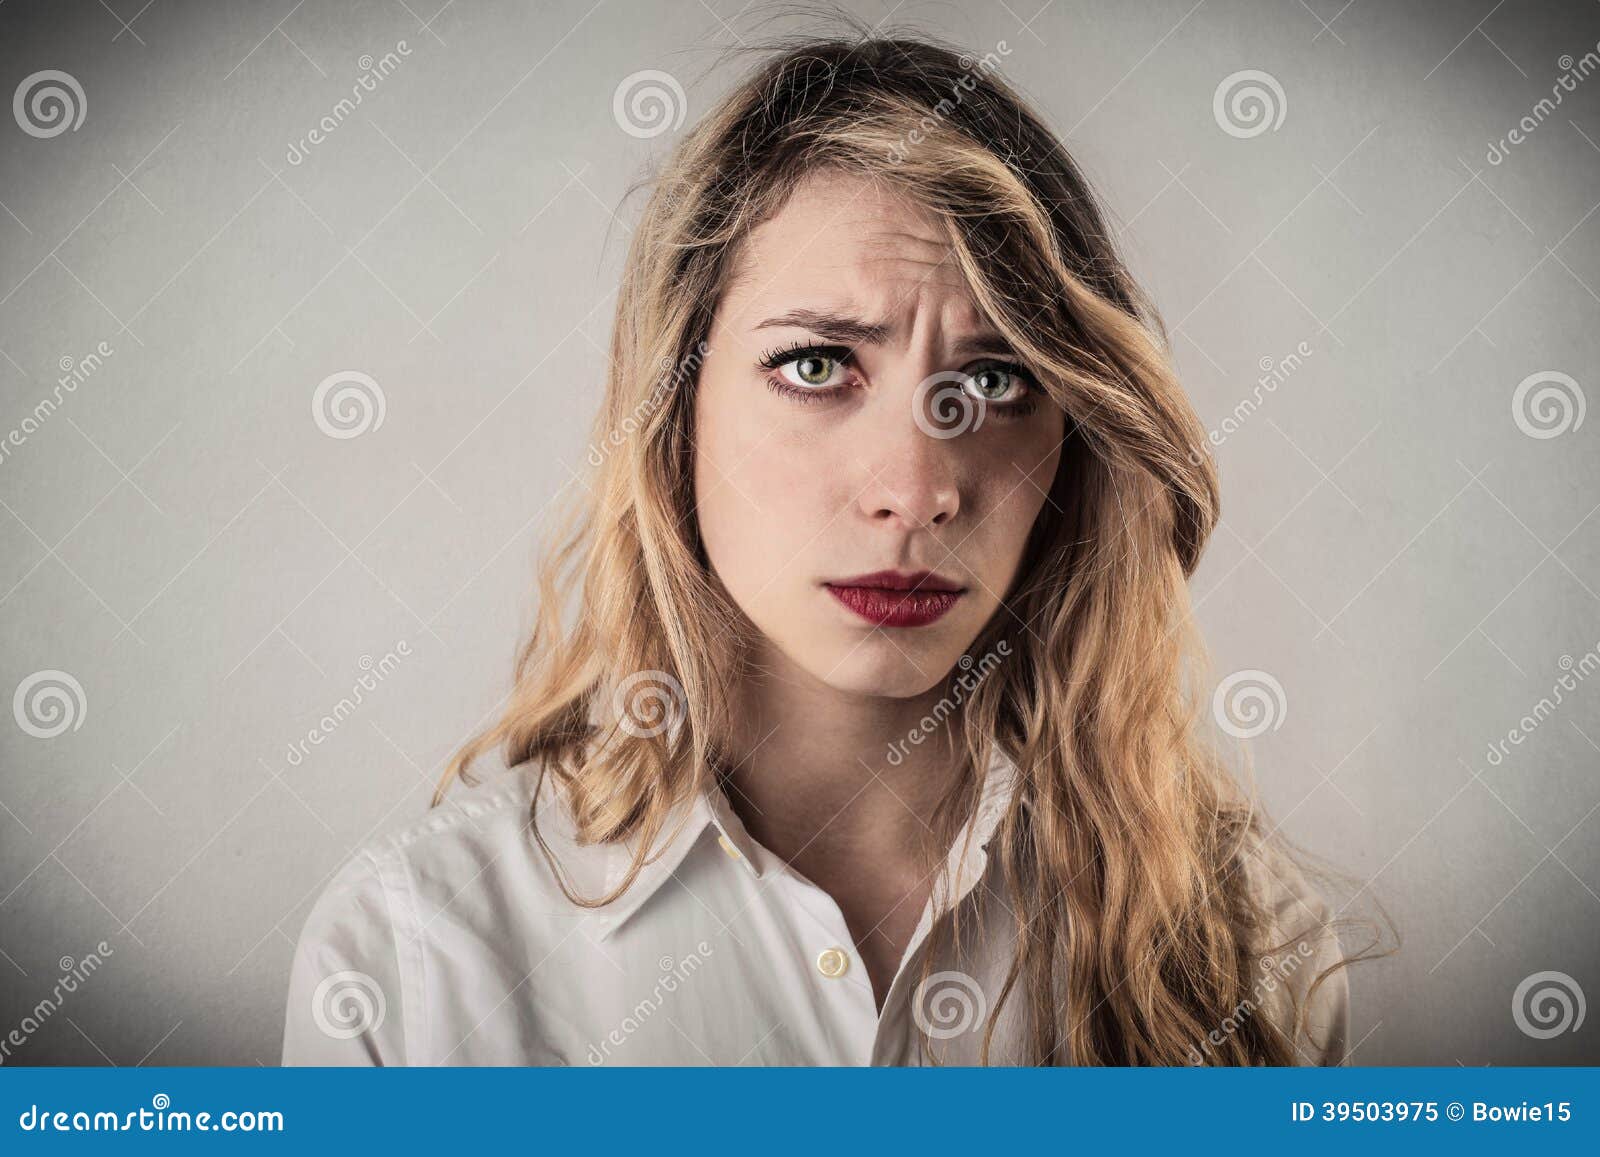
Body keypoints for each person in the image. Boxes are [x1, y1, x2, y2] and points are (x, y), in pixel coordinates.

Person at [283, 28, 1361, 1067]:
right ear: (673, 407)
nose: (915, 489)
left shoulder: (1249, 951)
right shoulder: (418, 961)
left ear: (1073, 440)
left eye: (995, 381)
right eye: (815, 366)